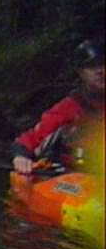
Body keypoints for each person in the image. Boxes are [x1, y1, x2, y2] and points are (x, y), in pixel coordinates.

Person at [11, 38, 105, 174]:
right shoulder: (70, 107)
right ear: (80, 72)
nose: (100, 71)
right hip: (77, 175)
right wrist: (21, 157)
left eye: (103, 64)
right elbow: (28, 140)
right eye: (92, 66)